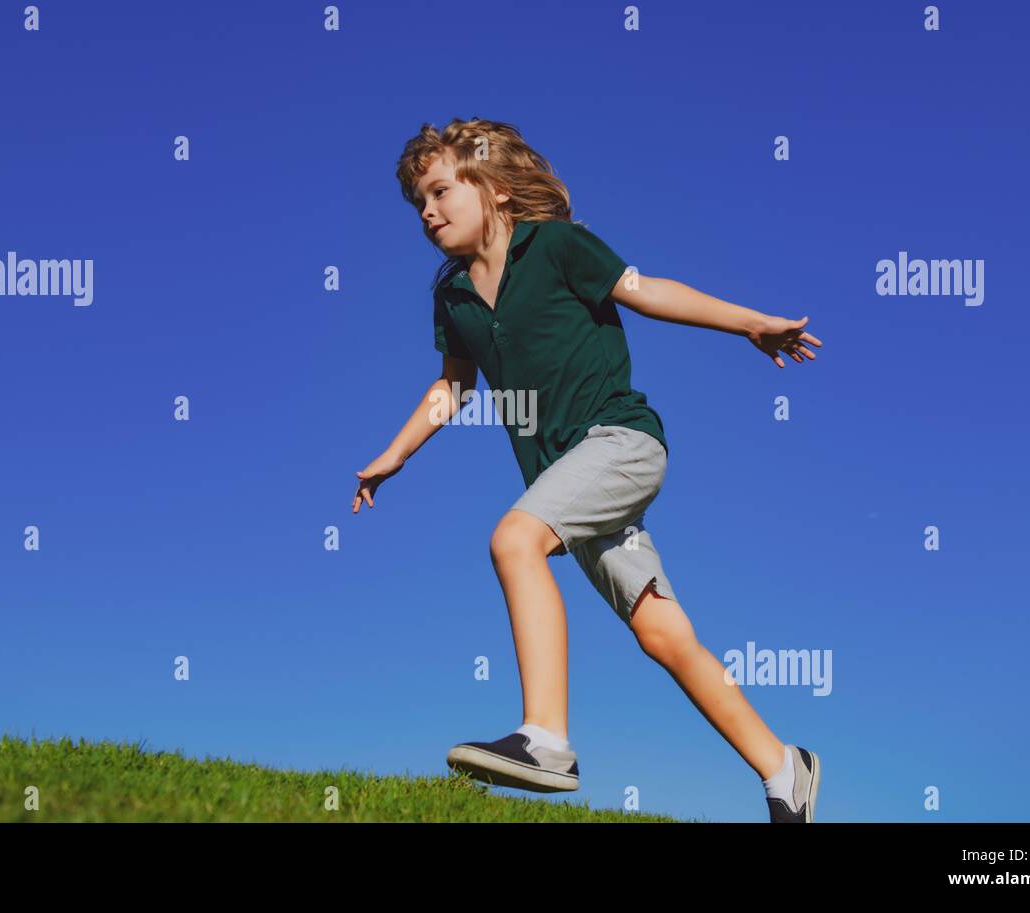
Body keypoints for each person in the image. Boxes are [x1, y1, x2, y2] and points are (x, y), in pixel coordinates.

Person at [353, 118, 824, 822]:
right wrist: (393, 455)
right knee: (662, 632)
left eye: (441, 190)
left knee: (515, 541)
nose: (427, 210)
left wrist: (751, 322)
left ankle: (545, 738)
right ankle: (784, 767)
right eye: (418, 201)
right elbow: (452, 386)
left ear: (497, 189)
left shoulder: (558, 247)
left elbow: (648, 290)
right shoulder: (451, 298)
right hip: (568, 480)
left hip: (620, 443)